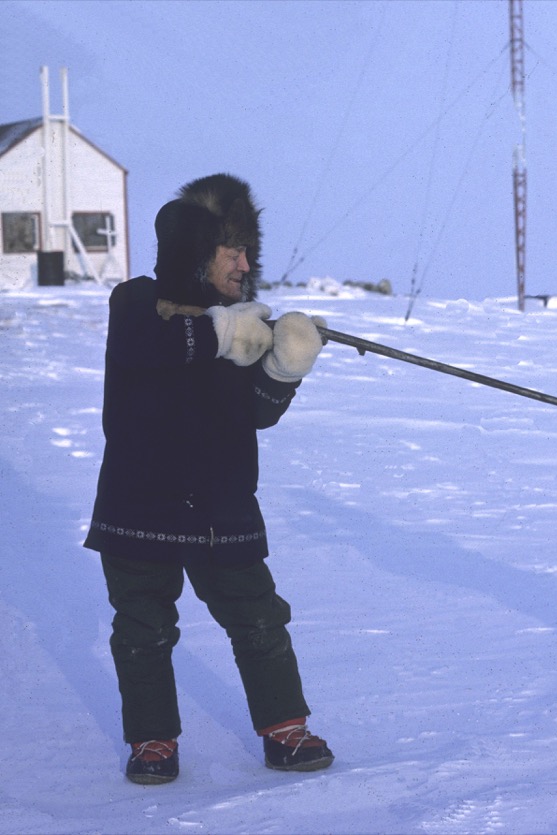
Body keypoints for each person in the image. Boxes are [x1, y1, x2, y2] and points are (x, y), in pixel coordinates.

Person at [84, 173, 333, 784]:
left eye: (249, 251)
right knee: (142, 628)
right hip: (139, 505)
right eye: (232, 251)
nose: (245, 265)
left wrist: (283, 367)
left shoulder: (242, 321)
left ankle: (285, 732)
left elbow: (256, 414)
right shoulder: (137, 304)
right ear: (196, 251)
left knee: (259, 618)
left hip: (223, 505)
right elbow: (155, 344)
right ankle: (153, 745)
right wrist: (224, 332)